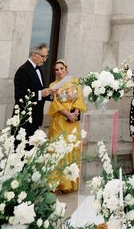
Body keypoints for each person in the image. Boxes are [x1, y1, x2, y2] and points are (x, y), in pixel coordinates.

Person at [48, 60, 86, 193]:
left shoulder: (75, 82)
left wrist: (75, 113)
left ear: (66, 69)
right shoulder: (53, 85)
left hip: (73, 122)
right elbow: (55, 104)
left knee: (72, 149)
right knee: (59, 150)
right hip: (60, 121)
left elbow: (79, 99)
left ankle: (70, 183)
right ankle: (58, 184)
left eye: (61, 68)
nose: (59, 71)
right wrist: (67, 114)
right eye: (56, 69)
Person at [13, 42, 54, 139]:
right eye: (43, 56)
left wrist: (51, 94)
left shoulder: (39, 69)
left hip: (36, 120)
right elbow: (20, 96)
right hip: (25, 121)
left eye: (46, 57)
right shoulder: (23, 70)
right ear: (34, 55)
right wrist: (41, 93)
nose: (45, 59)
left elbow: (40, 91)